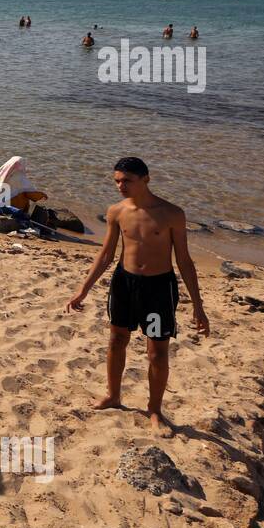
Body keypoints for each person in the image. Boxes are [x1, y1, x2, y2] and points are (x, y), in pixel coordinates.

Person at [64, 157, 209, 436]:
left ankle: (154, 409)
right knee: (117, 340)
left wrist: (197, 306)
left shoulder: (171, 214)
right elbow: (106, 254)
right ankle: (113, 396)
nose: (120, 186)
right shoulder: (117, 211)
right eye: (117, 180)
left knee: (156, 351)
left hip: (158, 290)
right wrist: (83, 289)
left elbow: (184, 261)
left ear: (146, 180)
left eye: (127, 180)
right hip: (124, 285)